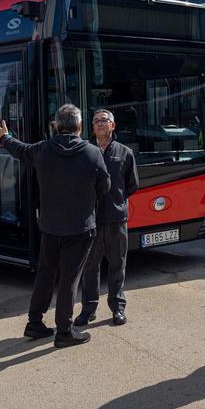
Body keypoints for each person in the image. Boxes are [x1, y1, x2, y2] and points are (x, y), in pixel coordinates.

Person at [0, 104, 110, 347]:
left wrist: (4, 137)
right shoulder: (91, 153)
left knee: (46, 275)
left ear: (56, 126)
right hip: (80, 228)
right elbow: (104, 187)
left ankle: (34, 323)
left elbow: (20, 150)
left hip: (50, 227)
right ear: (79, 127)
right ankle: (64, 331)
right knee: (69, 279)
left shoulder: (43, 150)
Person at [75, 109, 139, 327]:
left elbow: (132, 185)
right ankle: (88, 310)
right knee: (90, 267)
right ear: (91, 126)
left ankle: (118, 308)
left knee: (117, 265)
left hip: (116, 219)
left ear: (113, 125)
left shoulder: (125, 153)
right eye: (96, 121)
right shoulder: (85, 151)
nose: (100, 124)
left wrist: (117, 202)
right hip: (91, 220)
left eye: (104, 120)